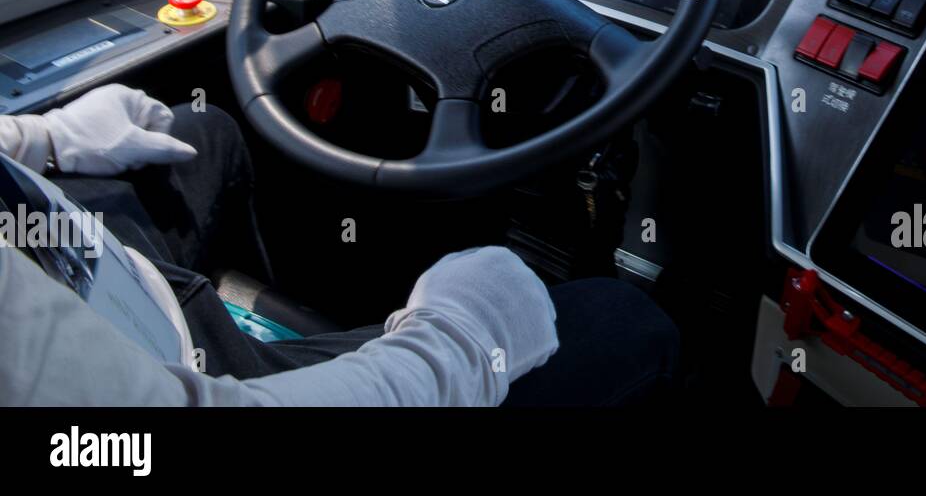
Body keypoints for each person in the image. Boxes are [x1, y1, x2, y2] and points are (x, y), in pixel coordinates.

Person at [0, 85, 679, 406]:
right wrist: (455, 352)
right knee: (621, 322)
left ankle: (266, 326)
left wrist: (39, 140)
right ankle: (259, 361)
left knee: (207, 130)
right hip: (160, 379)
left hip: (75, 263)